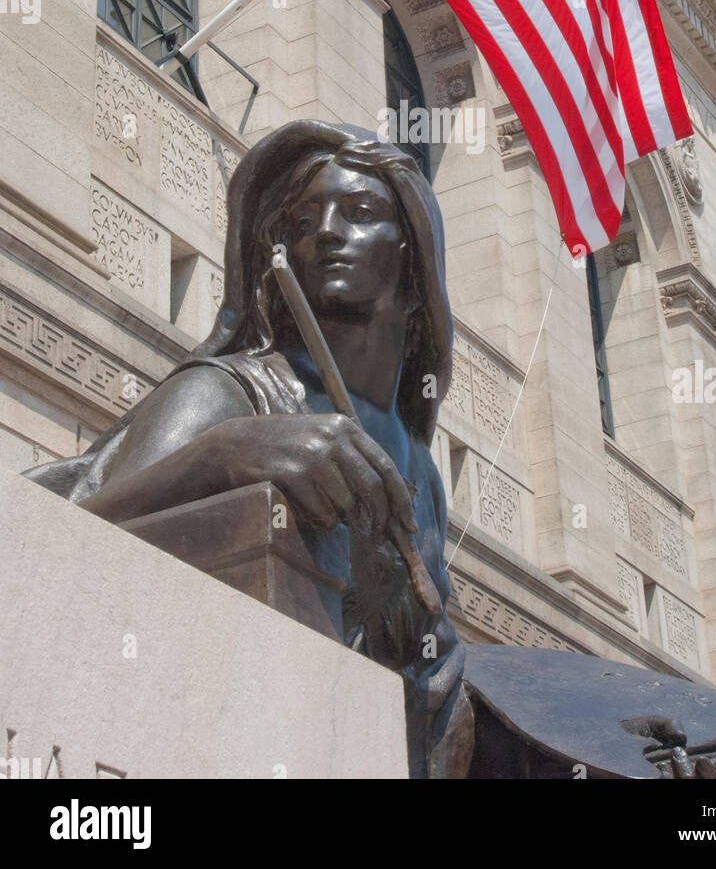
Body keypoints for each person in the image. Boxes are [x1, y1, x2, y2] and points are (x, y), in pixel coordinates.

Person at [24, 121, 474, 779]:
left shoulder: (421, 472)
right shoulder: (227, 395)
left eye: (360, 212)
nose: (324, 231)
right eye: (302, 218)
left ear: (413, 256)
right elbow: (54, 555)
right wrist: (222, 456)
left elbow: (431, 666)